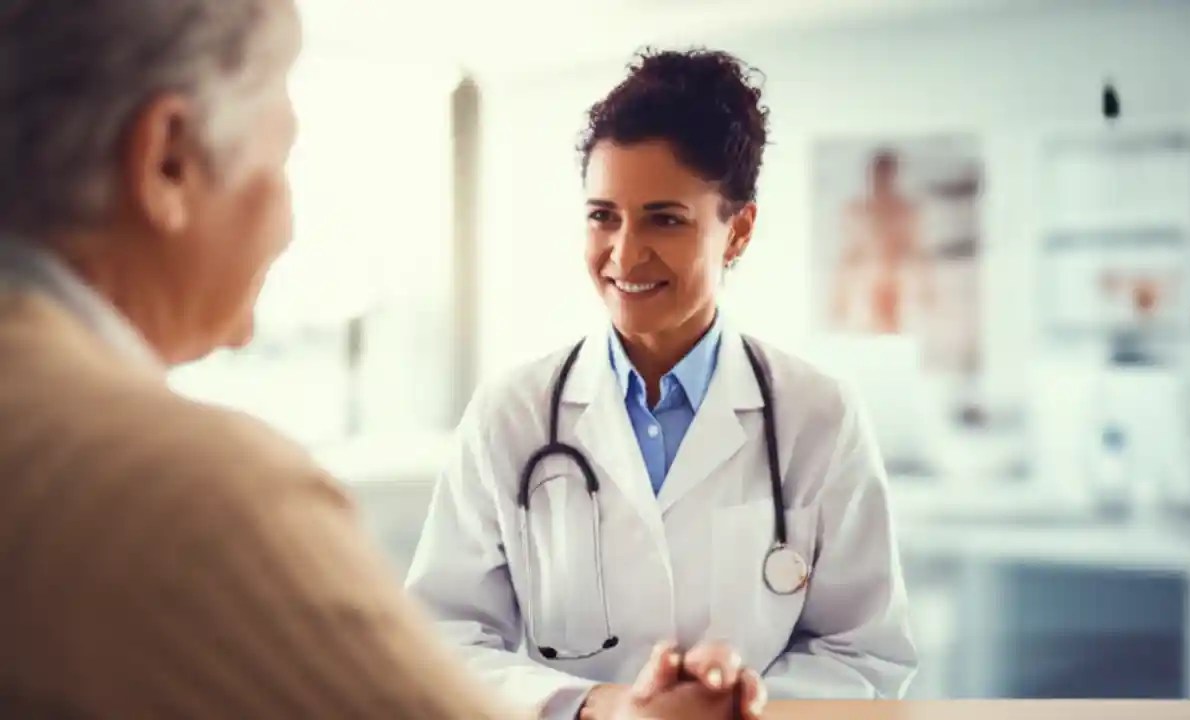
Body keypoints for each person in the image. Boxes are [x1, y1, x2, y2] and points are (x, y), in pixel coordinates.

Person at [0, 3, 720, 718]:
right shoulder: (193, 496)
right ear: (169, 161)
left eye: (665, 219)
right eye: (281, 158)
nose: (288, 225)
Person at [406, 48, 919, 720]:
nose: (624, 253)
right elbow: (442, 639)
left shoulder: (819, 416)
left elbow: (865, 652)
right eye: (603, 216)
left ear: (738, 232)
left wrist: (733, 706)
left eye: (665, 218)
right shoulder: (511, 414)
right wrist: (601, 705)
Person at [829, 151, 934, 334]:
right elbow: (848, 255)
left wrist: (927, 287)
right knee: (868, 331)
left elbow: (916, 251)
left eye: (886, 176)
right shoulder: (857, 211)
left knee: (893, 330)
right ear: (871, 177)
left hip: (895, 281)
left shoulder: (905, 212)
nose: (882, 181)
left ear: (894, 177)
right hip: (868, 281)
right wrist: (840, 297)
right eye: (878, 176)